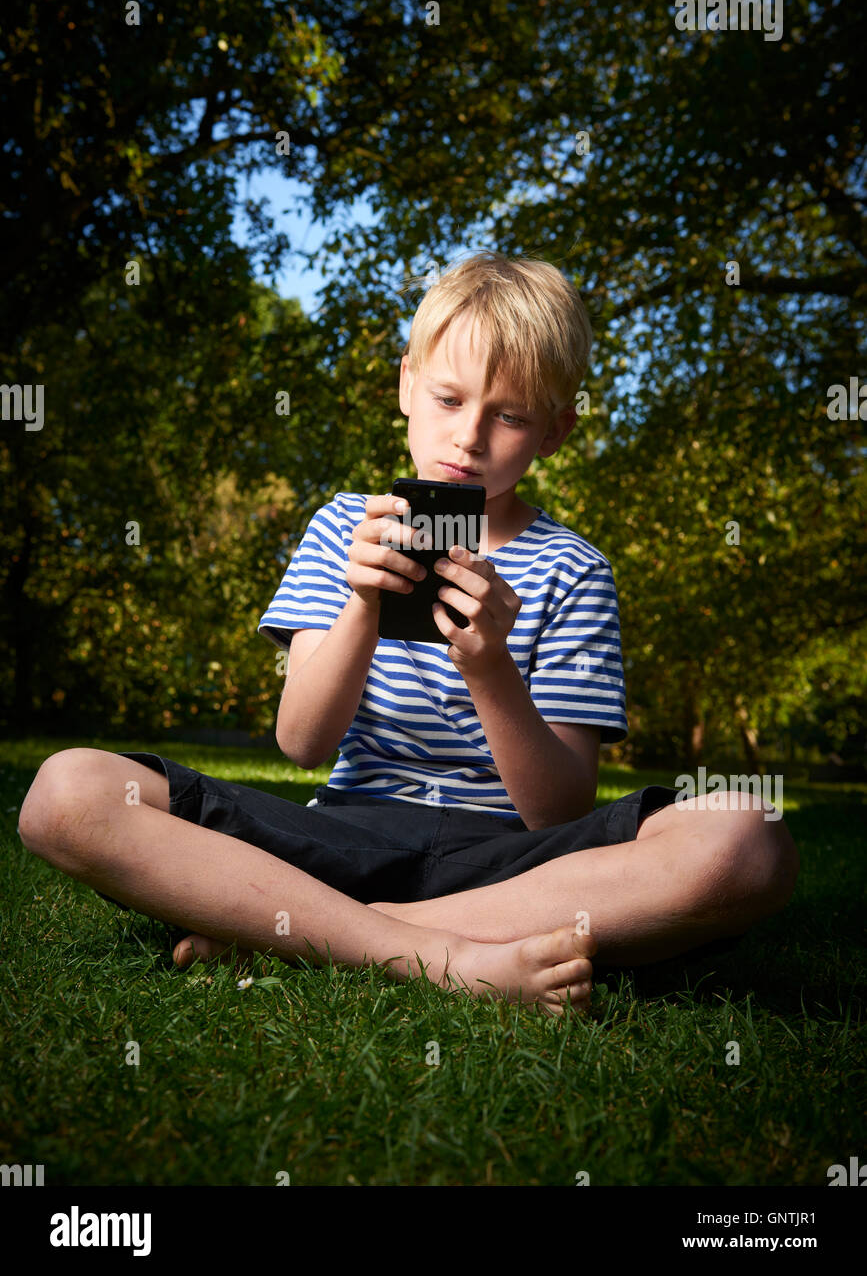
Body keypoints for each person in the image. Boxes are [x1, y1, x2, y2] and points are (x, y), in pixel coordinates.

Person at [17, 252, 799, 1016]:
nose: (468, 438)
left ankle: (301, 936)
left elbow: (558, 813)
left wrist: (491, 669)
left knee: (744, 836)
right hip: (337, 839)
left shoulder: (573, 569)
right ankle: (448, 957)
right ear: (405, 387)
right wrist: (361, 602)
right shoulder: (339, 530)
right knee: (67, 792)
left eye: (510, 416)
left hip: (511, 869)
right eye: (449, 400)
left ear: (555, 433)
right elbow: (302, 744)